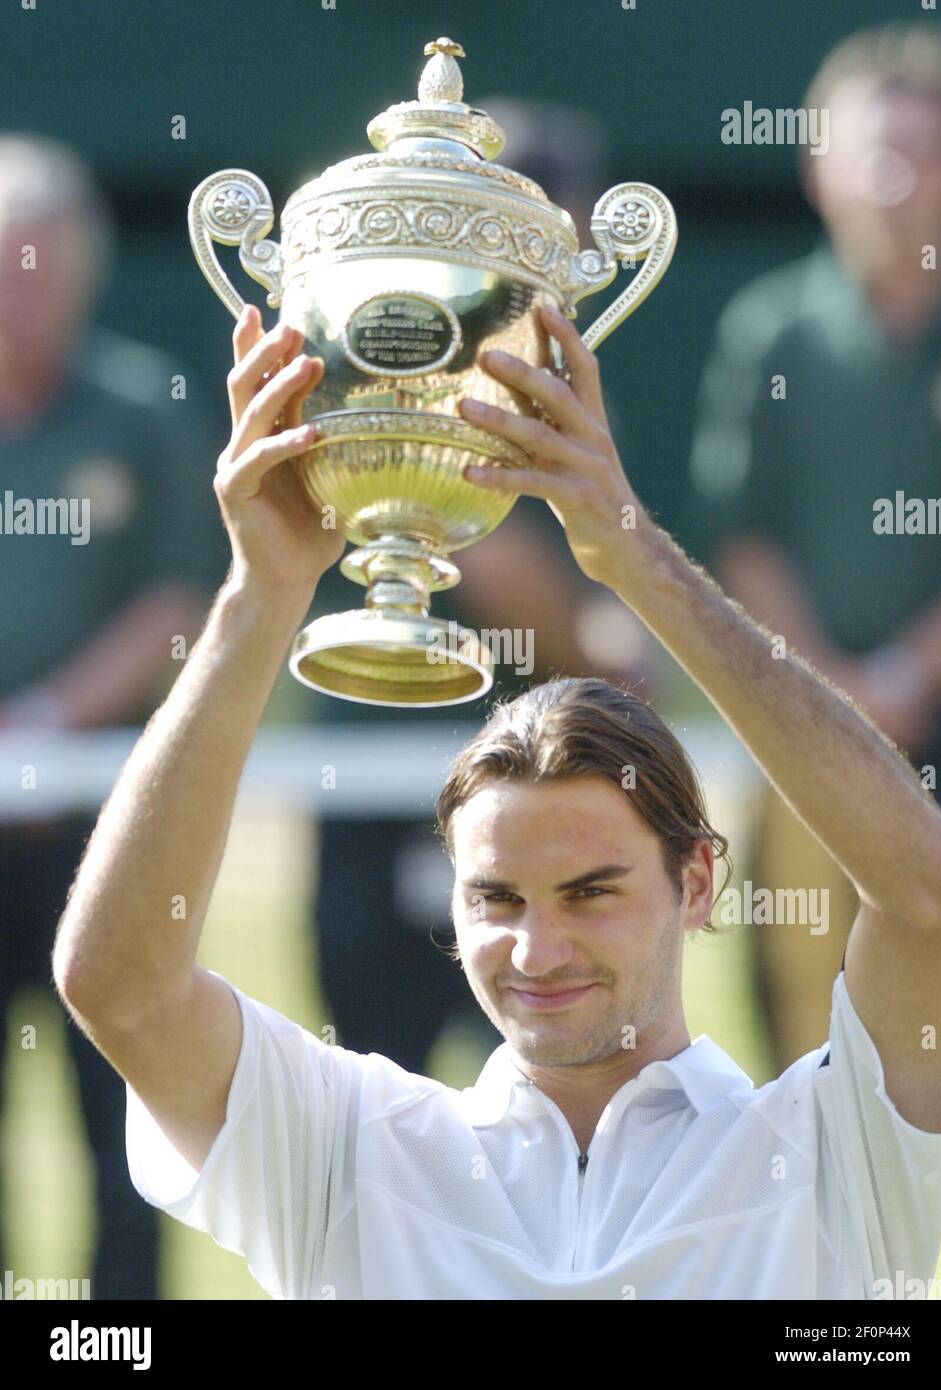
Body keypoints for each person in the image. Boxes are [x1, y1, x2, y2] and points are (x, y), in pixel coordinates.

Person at [51, 302, 941, 1299]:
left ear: (698, 880)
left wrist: (633, 557)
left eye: (589, 892)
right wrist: (258, 596)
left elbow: (929, 898)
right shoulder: (352, 1149)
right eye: (497, 898)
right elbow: (119, 986)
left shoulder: (831, 1151)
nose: (537, 950)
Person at [300, 97, 654, 1075]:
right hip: (391, 765)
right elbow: (498, 563)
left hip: (512, 780)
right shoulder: (451, 346)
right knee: (384, 1084)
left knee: (548, 1087)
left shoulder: (552, 358)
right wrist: (608, 655)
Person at [688, 21, 941, 1071]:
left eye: (924, 153)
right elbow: (740, 532)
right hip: (808, 727)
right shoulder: (772, 334)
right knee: (805, 1016)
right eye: (872, 153)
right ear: (819, 170)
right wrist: (832, 689)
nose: (896, 181)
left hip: (938, 714)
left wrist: (903, 674)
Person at [0, 134, 227, 1297]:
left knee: (122, 1100)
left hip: (105, 822)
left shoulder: (141, 409)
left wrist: (46, 720)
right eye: (2, 259)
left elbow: (179, 598)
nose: (18, 284)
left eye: (41, 260)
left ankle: (119, 1333)